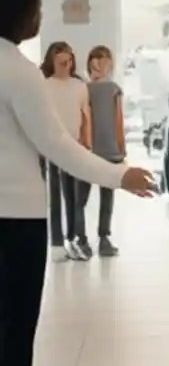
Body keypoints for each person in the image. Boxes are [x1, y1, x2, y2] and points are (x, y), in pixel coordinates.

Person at [0, 0, 156, 366]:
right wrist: (119, 174)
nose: (41, 16)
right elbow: (56, 144)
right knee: (14, 337)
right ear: (21, 11)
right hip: (16, 222)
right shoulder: (19, 70)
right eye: (38, 6)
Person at [41, 42, 92, 262]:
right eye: (61, 61)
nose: (65, 65)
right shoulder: (44, 85)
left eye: (69, 61)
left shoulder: (79, 86)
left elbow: (86, 116)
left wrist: (86, 142)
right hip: (51, 146)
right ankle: (56, 242)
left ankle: (73, 238)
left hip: (74, 145)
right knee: (54, 195)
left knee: (73, 195)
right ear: (52, 62)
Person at [85, 46, 125, 257]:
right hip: (97, 149)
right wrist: (121, 148)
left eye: (104, 59)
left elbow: (118, 120)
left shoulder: (106, 89)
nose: (101, 63)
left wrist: (121, 148)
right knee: (99, 197)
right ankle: (96, 238)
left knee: (92, 197)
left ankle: (92, 238)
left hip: (99, 149)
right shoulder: (89, 89)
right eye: (98, 59)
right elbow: (118, 121)